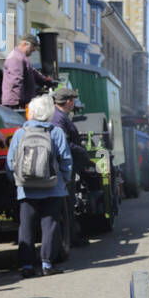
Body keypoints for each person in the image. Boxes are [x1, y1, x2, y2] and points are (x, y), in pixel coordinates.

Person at [8, 94, 71, 278]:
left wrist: (18, 182)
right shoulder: (56, 132)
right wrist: (63, 181)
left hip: (26, 189)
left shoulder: (20, 133)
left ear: (32, 113)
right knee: (50, 225)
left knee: (26, 226)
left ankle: (27, 266)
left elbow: (11, 163)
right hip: (53, 187)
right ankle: (46, 264)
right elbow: (66, 160)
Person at [50, 85, 91, 246]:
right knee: (67, 202)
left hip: (63, 165)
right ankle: (70, 238)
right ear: (68, 102)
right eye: (73, 100)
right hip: (63, 167)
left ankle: (71, 236)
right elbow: (65, 144)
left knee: (68, 201)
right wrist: (82, 152)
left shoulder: (59, 116)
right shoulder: (59, 118)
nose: (74, 103)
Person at [1, 34, 51, 112]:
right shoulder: (16, 58)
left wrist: (46, 80)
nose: (34, 50)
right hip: (15, 104)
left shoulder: (21, 57)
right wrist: (20, 103)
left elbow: (33, 72)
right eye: (33, 46)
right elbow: (16, 81)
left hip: (19, 103)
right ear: (25, 44)